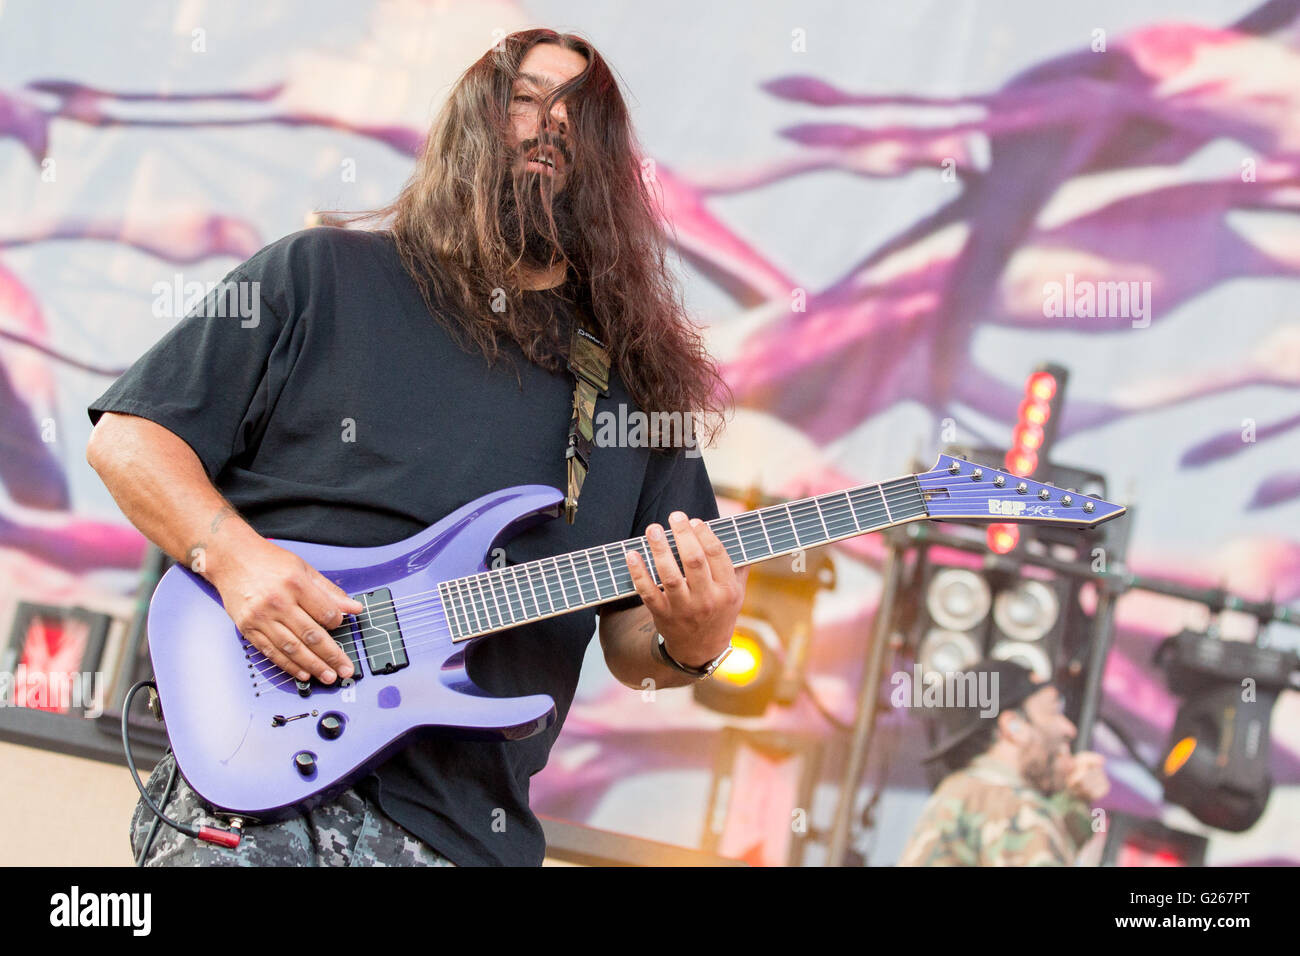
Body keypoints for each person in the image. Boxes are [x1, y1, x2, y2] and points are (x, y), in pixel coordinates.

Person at [85, 29, 748, 867]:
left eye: (580, 116)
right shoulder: (318, 274)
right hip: (247, 803)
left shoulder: (636, 394)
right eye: (526, 97)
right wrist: (239, 562)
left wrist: (696, 644)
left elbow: (633, 653)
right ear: (473, 121)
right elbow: (130, 442)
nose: (552, 124)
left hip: (461, 838)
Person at [898, 660, 1110, 866]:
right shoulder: (1014, 807)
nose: (1069, 729)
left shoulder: (961, 794)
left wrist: (1073, 800)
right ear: (1014, 726)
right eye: (1054, 711)